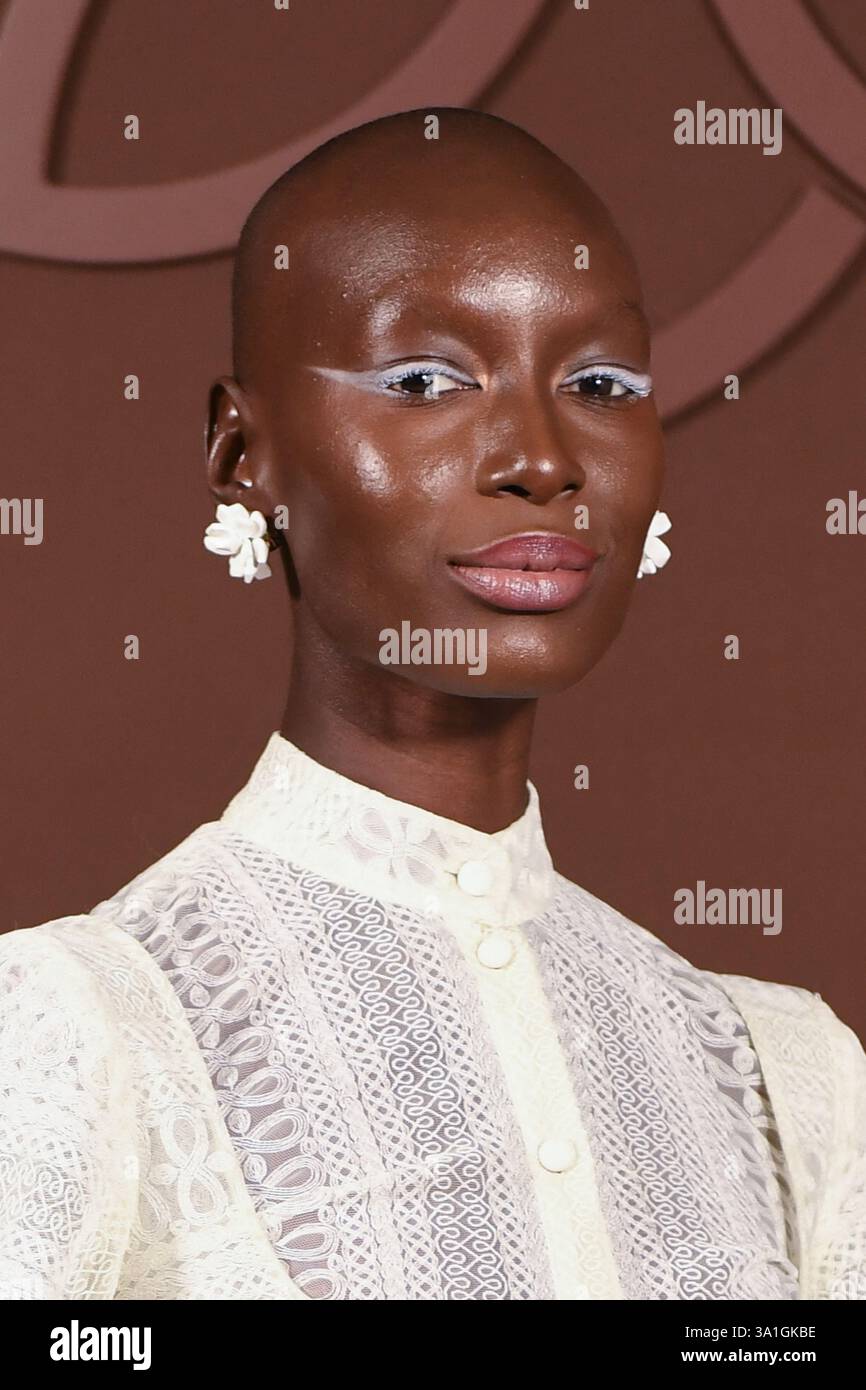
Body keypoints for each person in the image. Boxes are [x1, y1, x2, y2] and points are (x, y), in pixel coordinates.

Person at [1, 107, 863, 1302]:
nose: (540, 458)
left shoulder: (792, 1086)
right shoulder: (79, 1035)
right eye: (423, 379)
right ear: (241, 451)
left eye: (600, 382)